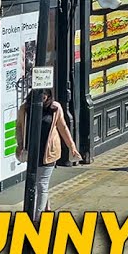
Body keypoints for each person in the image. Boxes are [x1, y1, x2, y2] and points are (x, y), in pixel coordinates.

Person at [15, 89, 81, 217]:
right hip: (32, 150)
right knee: (37, 183)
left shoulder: (55, 108)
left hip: (49, 151)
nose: (43, 96)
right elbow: (19, 126)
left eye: (46, 94)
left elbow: (62, 127)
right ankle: (46, 208)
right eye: (41, 93)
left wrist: (72, 146)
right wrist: (20, 144)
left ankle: (37, 218)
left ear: (49, 95)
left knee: (42, 185)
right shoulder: (25, 108)